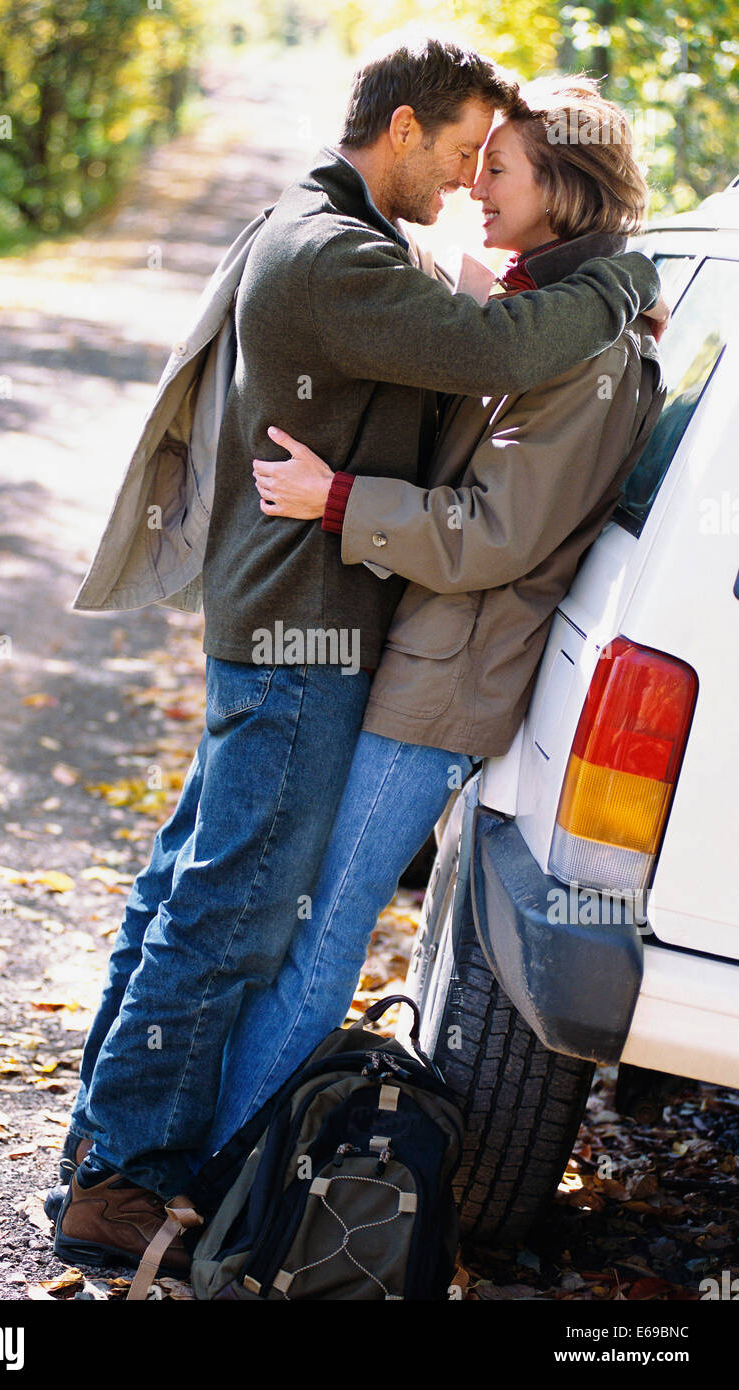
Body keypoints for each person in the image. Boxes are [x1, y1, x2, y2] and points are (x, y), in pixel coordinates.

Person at [51, 37, 662, 1273]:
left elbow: (486, 396)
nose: (461, 183)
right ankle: (129, 1178)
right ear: (396, 129)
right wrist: (610, 284)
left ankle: (110, 1155)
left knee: (198, 886)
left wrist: (578, 297)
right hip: (296, 637)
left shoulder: (344, 237)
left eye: (493, 165)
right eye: (454, 154)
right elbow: (491, 362)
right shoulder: (332, 254)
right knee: (231, 906)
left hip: (317, 633)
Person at [205, 75, 666, 1156]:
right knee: (296, 922)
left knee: (322, 936)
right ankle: (207, 1156)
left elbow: (495, 532)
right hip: (412, 656)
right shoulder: (547, 314)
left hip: (442, 683)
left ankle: (218, 1184)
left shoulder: (595, 353)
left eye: (496, 168)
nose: (474, 188)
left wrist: (337, 503)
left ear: (561, 180)